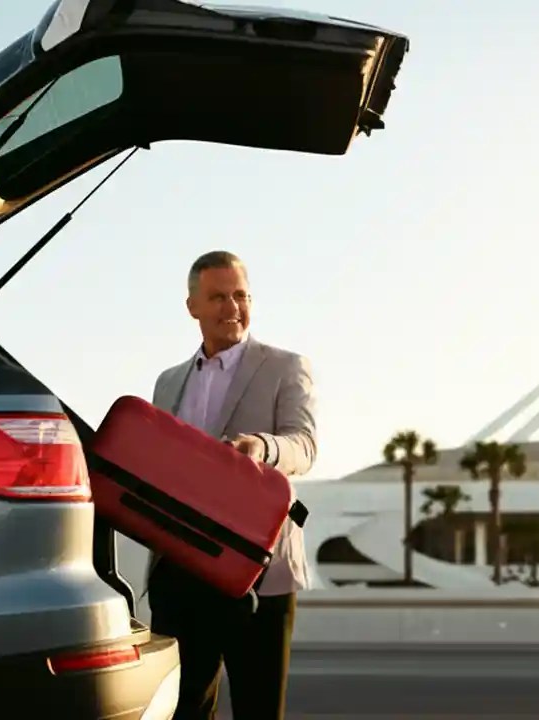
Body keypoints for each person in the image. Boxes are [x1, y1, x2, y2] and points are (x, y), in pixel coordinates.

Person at [145, 250, 316, 720]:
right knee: (182, 710)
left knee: (259, 710)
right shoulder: (167, 383)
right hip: (181, 571)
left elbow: (305, 444)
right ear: (192, 307)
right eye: (218, 297)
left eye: (240, 295)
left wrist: (263, 447)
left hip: (257, 572)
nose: (232, 307)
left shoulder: (285, 366)